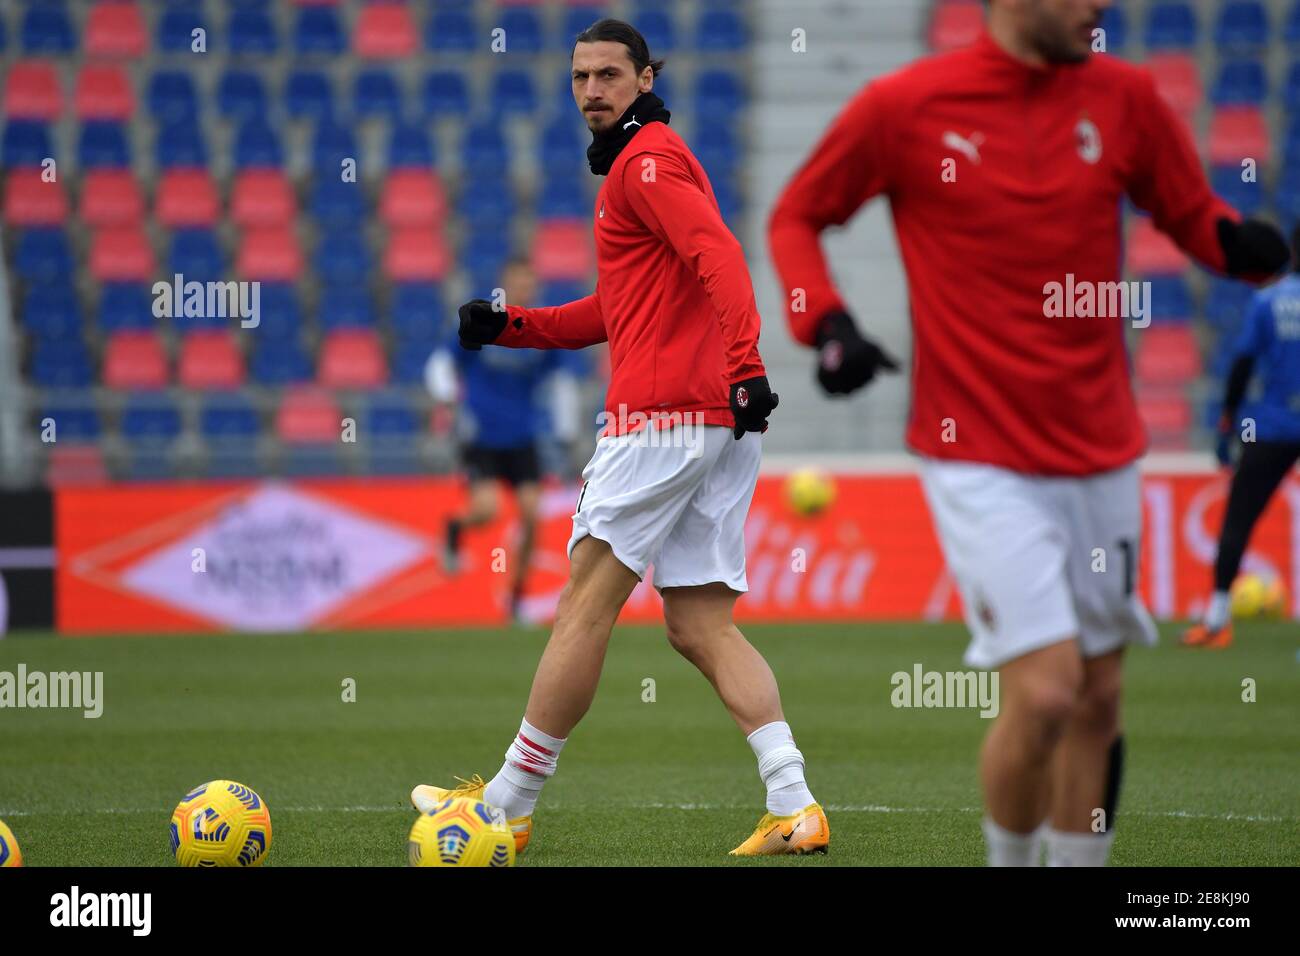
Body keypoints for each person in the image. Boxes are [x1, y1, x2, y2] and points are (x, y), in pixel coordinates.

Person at [768, 0, 1288, 866]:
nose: (1101, 7)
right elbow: (796, 216)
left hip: (1104, 446)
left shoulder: (1126, 98)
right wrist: (823, 321)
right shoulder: (905, 107)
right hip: (975, 451)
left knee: (1099, 698)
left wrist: (1237, 247)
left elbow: (1190, 212)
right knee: (1047, 692)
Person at [412, 19, 826, 857]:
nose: (592, 90)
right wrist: (511, 324)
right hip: (709, 422)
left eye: (609, 74)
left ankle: (505, 806)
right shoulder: (648, 164)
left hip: (664, 420)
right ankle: (795, 803)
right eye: (580, 77)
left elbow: (719, 252)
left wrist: (748, 364)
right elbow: (618, 309)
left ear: (645, 78)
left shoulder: (644, 161)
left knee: (582, 605)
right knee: (700, 624)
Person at [425, 259, 581, 622]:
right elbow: (443, 363)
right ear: (503, 284)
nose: (524, 289)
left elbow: (561, 382)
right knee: (487, 509)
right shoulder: (483, 322)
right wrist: (448, 400)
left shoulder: (540, 330)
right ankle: (456, 526)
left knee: (531, 515)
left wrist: (566, 430)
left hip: (523, 437)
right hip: (481, 434)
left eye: (529, 283)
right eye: (517, 282)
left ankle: (515, 598)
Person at [1183, 225, 1300, 649]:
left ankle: (1216, 621)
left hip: (1273, 426)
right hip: (1275, 425)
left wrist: (1227, 421)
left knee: (1238, 521)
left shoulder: (1269, 300)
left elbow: (1242, 365)